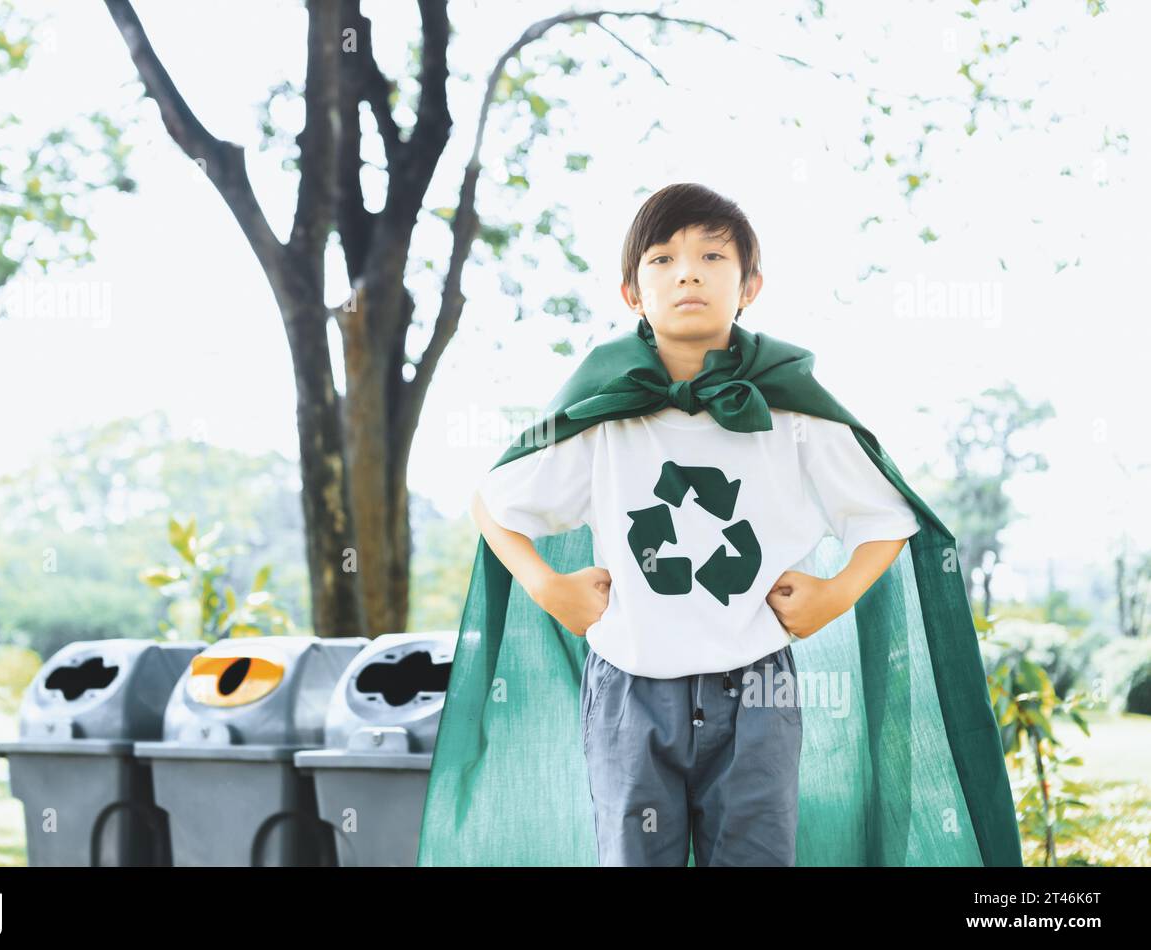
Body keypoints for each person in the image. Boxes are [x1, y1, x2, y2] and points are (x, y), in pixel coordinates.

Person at [415, 182, 1023, 869]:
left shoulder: (794, 412)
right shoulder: (602, 413)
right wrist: (546, 585)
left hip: (755, 686)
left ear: (751, 284)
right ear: (632, 294)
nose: (688, 272)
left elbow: (886, 515)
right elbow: (494, 501)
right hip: (629, 686)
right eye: (663, 259)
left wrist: (835, 594)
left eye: (712, 255)